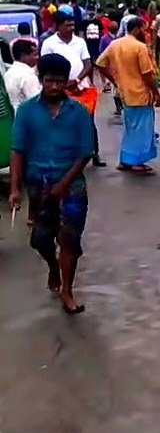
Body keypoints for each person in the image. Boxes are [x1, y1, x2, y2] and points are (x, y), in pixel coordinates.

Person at [8, 53, 96, 314]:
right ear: (41, 79)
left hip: (72, 187)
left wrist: (64, 184)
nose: (55, 87)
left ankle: (67, 290)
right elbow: (17, 150)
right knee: (40, 240)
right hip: (39, 185)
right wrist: (15, 188)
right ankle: (52, 266)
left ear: (66, 81)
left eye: (60, 81)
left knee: (69, 240)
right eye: (49, 81)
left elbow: (85, 153)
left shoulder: (79, 112)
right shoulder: (26, 112)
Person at [95, 17, 160, 174]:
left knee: (131, 128)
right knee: (141, 129)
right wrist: (156, 93)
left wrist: (115, 80)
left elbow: (99, 63)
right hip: (141, 93)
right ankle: (136, 161)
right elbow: (146, 74)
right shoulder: (140, 47)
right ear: (137, 29)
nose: (145, 33)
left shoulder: (115, 44)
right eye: (144, 29)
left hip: (124, 92)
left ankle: (125, 160)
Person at [42, 11, 105, 167]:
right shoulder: (49, 43)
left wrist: (77, 80)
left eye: (72, 24)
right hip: (59, 89)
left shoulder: (80, 42)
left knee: (88, 120)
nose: (71, 27)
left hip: (82, 87)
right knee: (61, 121)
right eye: (67, 24)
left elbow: (88, 64)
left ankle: (94, 153)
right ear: (57, 26)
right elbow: (44, 66)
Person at [4, 40, 41, 108]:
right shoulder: (27, 75)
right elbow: (36, 100)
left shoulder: (8, 73)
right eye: (35, 55)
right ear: (23, 56)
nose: (38, 57)